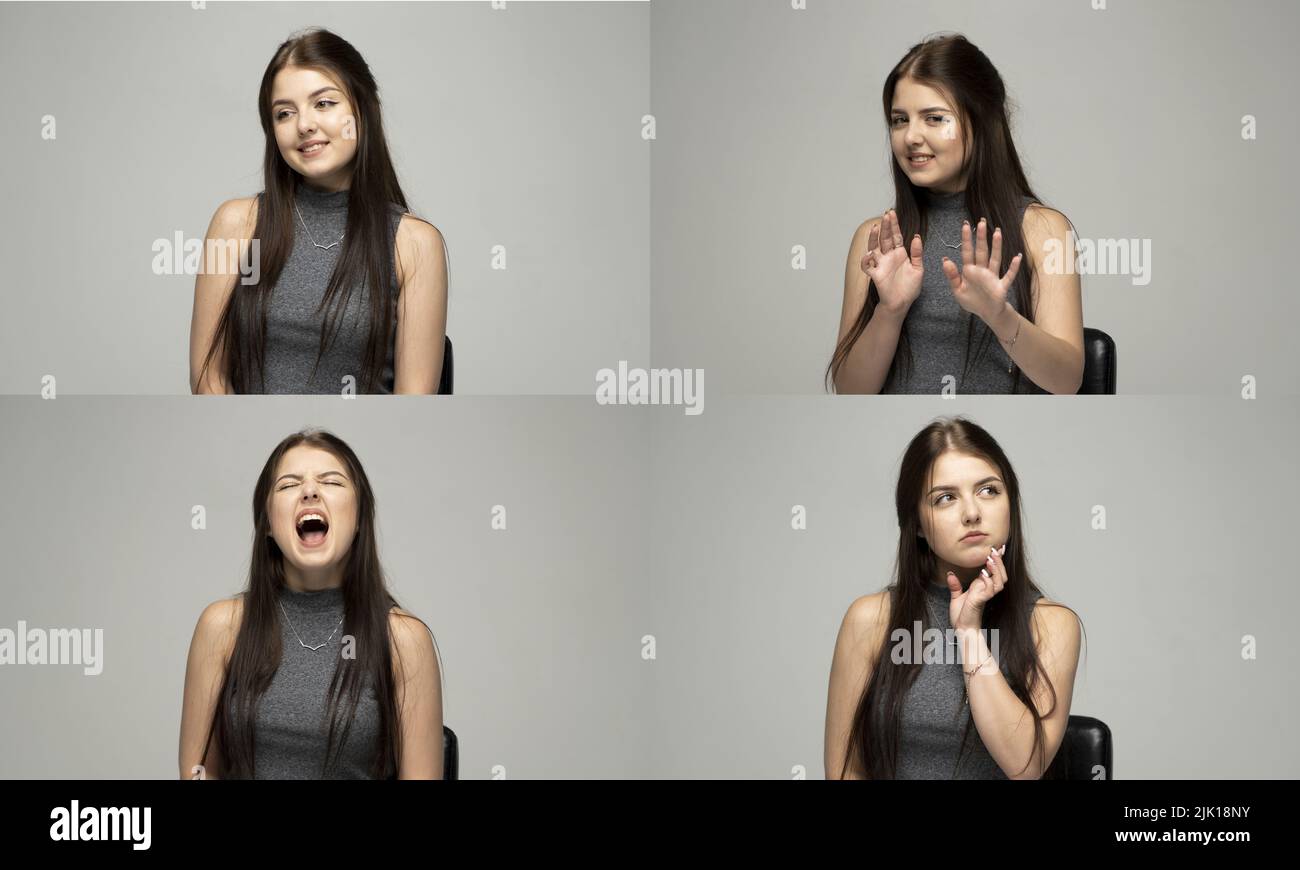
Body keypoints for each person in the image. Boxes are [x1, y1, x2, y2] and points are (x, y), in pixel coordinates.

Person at [190, 27, 448, 394]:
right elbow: (207, 378)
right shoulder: (235, 225)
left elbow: (414, 400)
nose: (304, 125)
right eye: (284, 113)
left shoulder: (415, 243)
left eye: (323, 103)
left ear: (363, 109)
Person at [824, 416, 1083, 778]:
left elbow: (1025, 765)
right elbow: (843, 772)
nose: (972, 513)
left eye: (988, 490)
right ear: (916, 522)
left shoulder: (1052, 624)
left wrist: (969, 632)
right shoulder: (871, 619)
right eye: (945, 498)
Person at [178, 428, 444, 779]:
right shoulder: (223, 627)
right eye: (288, 485)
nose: (310, 491)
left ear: (361, 517)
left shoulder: (404, 640)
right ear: (268, 523)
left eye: (331, 482)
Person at [828, 34, 1084, 395]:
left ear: (981, 122)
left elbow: (1067, 381)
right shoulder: (876, 240)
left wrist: (999, 315)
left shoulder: (1043, 230)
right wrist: (890, 310)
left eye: (934, 118)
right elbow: (851, 393)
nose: (910, 137)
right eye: (899, 120)